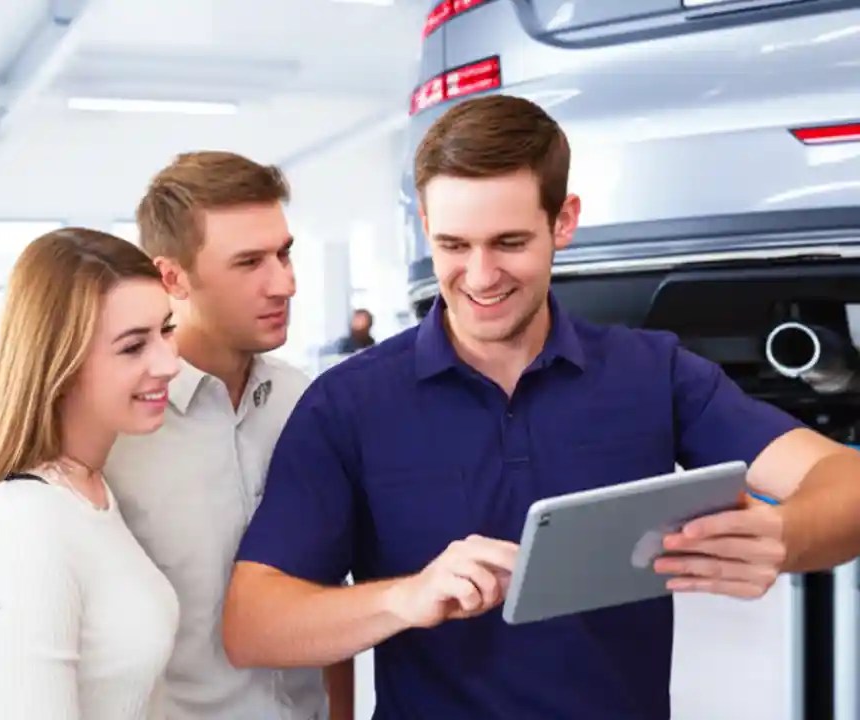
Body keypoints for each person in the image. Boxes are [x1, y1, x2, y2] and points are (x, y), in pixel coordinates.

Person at [222, 94, 860, 719]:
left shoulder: (652, 372)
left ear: (564, 221)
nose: (479, 276)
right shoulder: (348, 402)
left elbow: (844, 479)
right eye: (453, 245)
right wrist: (406, 598)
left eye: (508, 242)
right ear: (423, 223)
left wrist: (785, 536)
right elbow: (254, 623)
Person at [104, 150, 353, 719]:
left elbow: (327, 591)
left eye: (284, 254)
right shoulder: (113, 434)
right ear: (173, 277)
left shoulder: (309, 405)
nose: (284, 283)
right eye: (249, 263)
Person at [0, 228, 182, 720]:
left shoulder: (90, 490)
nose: (170, 363)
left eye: (167, 330)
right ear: (61, 363)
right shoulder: (25, 521)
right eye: (134, 346)